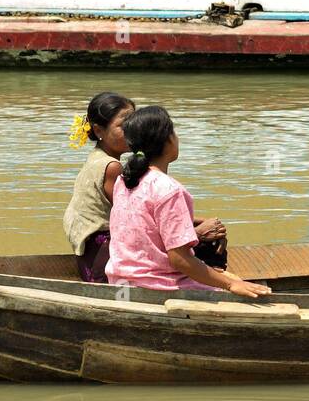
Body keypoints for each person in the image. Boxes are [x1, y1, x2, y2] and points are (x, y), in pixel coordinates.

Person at [106, 106, 271, 297]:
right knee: (239, 286)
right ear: (168, 140)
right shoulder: (169, 189)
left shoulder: (123, 181)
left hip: (121, 282)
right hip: (157, 287)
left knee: (229, 276)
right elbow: (180, 260)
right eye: (174, 132)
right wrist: (230, 284)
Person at [64, 92, 135, 282]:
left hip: (92, 258)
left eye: (134, 122)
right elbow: (136, 216)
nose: (132, 129)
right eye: (123, 125)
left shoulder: (96, 157)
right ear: (98, 131)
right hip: (102, 263)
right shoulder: (112, 167)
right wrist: (193, 228)